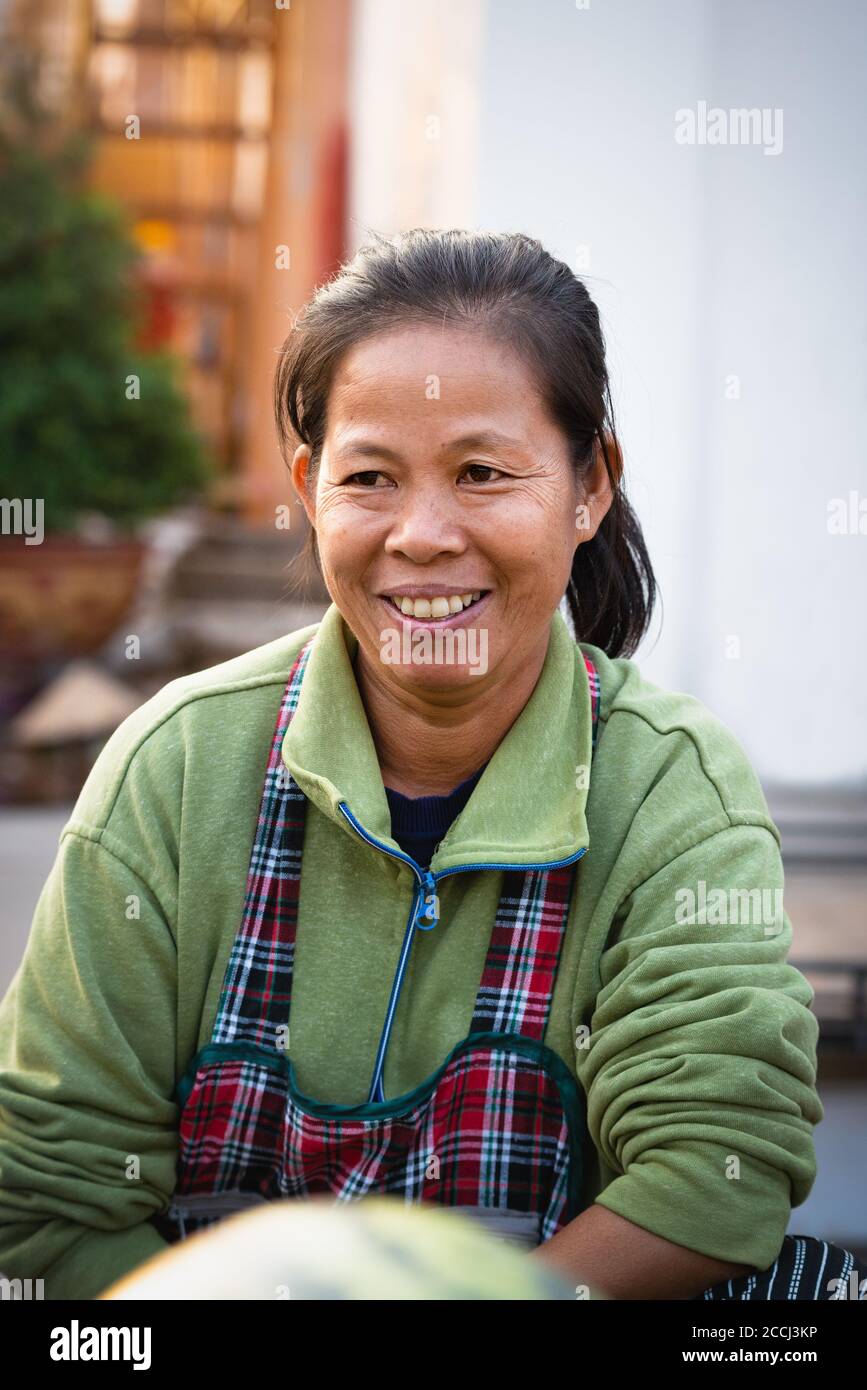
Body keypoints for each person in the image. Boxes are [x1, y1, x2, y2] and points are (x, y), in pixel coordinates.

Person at [0, 229, 861, 1302]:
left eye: (482, 473)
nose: (422, 533)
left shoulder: (667, 788)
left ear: (589, 486)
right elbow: (51, 1197)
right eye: (371, 477)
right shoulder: (177, 769)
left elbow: (714, 1175)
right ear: (312, 490)